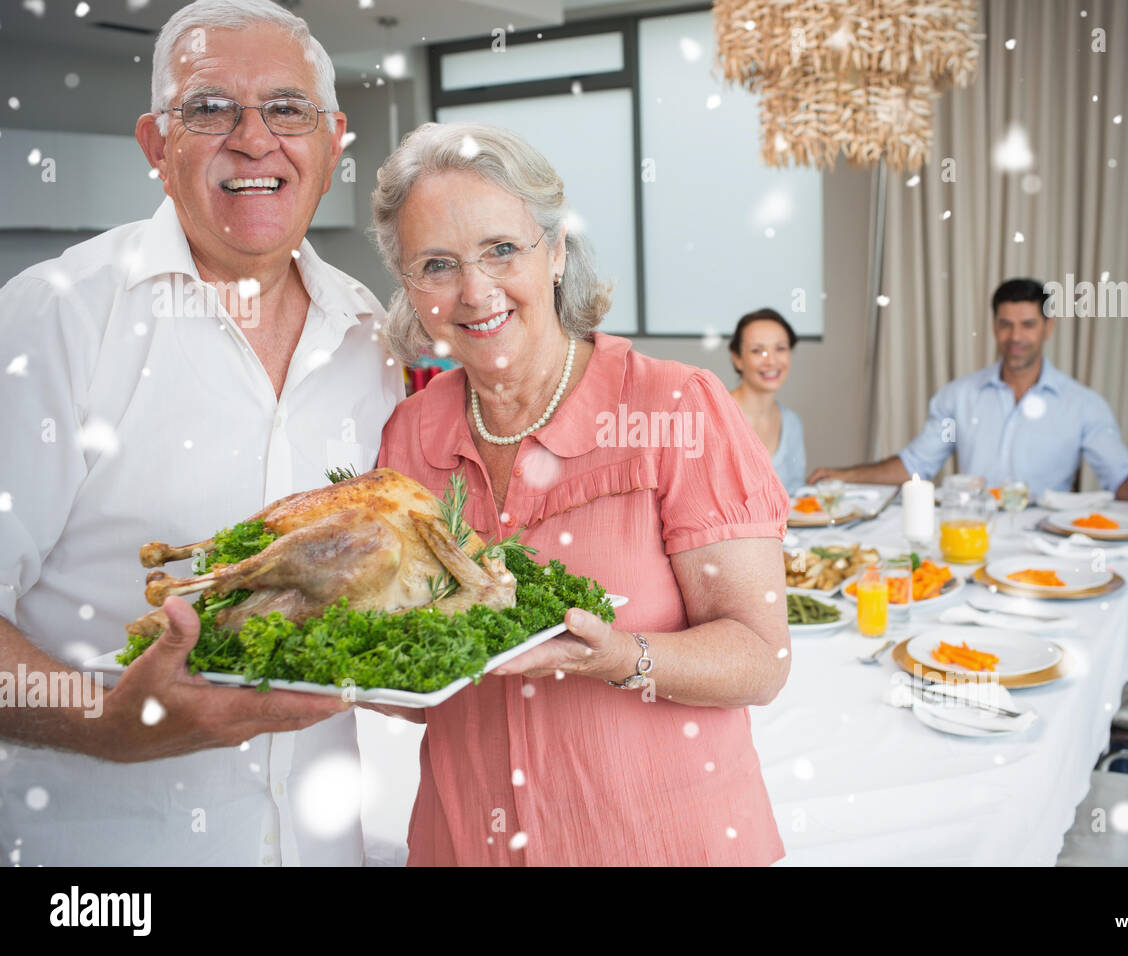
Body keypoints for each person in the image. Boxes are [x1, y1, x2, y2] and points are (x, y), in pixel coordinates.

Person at [0, 0, 404, 865]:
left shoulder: (370, 333)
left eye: (287, 109)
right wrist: (105, 721)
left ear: (333, 141)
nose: (254, 140)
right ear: (156, 145)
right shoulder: (55, 317)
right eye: (210, 108)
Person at [370, 122, 790, 866]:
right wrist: (314, 671)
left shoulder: (673, 408)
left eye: (503, 249)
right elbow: (421, 679)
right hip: (468, 842)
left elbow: (761, 659)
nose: (476, 291)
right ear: (408, 285)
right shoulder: (411, 433)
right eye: (437, 265)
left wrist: (619, 656)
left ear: (557, 251)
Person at [809, 278, 1128, 526]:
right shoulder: (959, 397)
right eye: (1006, 324)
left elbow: (1119, 476)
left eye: (1027, 325)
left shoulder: (1083, 405)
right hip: (970, 530)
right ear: (994, 327)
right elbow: (916, 464)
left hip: (1044, 537)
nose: (1015, 336)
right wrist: (845, 474)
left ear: (1048, 327)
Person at [728, 308, 807, 495]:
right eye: (758, 350)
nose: (771, 361)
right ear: (737, 359)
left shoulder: (791, 422)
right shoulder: (715, 418)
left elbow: (795, 495)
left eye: (780, 348)